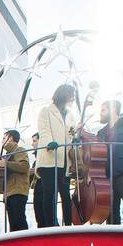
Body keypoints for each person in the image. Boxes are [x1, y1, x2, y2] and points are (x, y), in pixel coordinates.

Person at [34, 84, 77, 228]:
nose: (73, 98)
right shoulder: (46, 111)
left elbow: (70, 133)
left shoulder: (70, 114)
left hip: (65, 160)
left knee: (65, 194)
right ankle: (50, 226)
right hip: (50, 159)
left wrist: (74, 137)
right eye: (71, 94)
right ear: (63, 94)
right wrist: (48, 143)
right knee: (50, 193)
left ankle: (68, 225)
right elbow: (44, 130)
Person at [0, 129, 31, 232]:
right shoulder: (7, 156)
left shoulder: (20, 150)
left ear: (10, 138)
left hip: (18, 191)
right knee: (13, 224)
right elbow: (0, 179)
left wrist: (6, 164)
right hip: (9, 194)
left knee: (19, 220)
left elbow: (24, 167)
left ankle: (25, 244)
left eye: (4, 138)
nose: (2, 141)